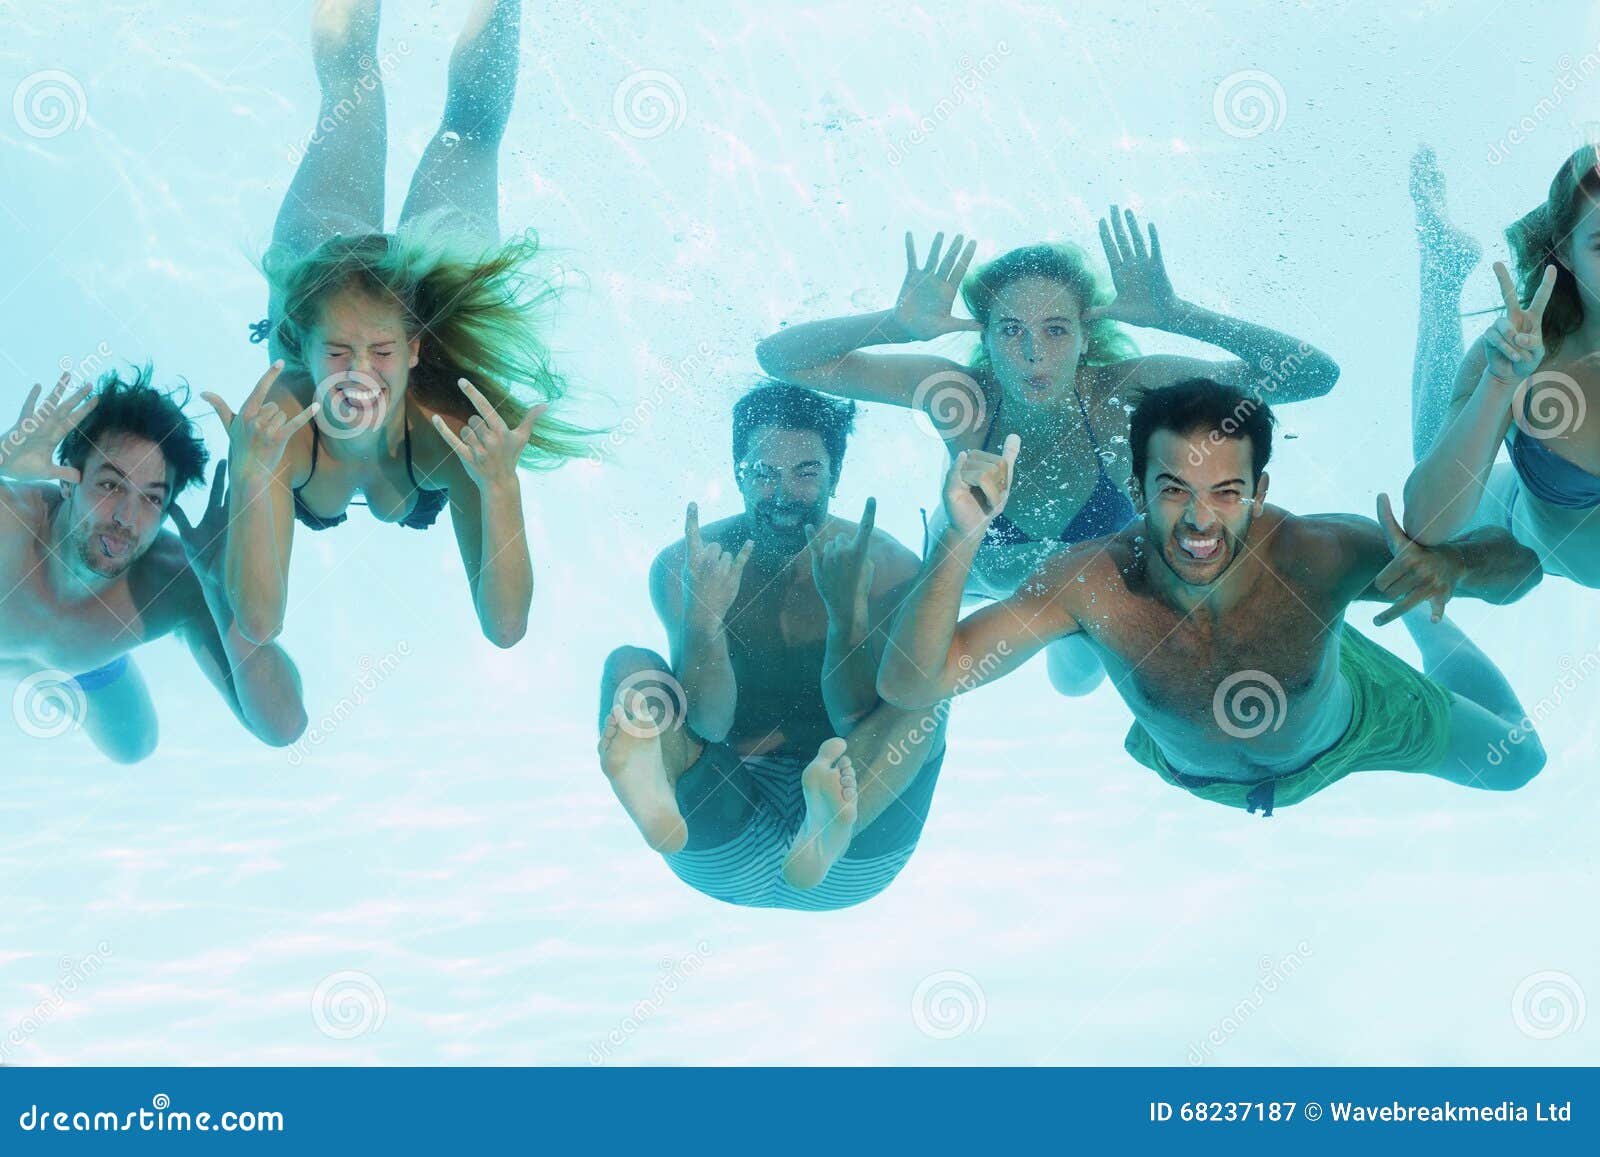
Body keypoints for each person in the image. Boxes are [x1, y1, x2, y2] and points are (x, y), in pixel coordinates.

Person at [879, 379, 1545, 817]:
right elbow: (915, 683)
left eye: (1227, 492)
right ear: (1138, 491)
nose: (1201, 520)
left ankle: (1426, 623)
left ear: (1258, 492)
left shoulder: (1318, 554)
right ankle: (1409, 603)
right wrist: (959, 539)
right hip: (1198, 773)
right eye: (1174, 489)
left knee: (1518, 762)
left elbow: (1523, 570)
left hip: (1359, 723)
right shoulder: (1090, 581)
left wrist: (1449, 566)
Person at [756, 212, 1340, 696]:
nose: (1034, 353)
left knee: (1074, 681)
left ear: (1087, 336)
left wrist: (1177, 315)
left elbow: (1312, 375)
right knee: (896, 676)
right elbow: (781, 360)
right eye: (1011, 330)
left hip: (1070, 604)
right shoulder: (958, 397)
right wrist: (896, 325)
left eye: (1057, 330)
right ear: (984, 338)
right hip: (968, 574)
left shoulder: (1126, 396)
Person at [212, 0, 590, 648]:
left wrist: (499, 484)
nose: (359, 374)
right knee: (470, 131)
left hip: (319, 252)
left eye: (381, 351)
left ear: (415, 350)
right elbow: (260, 623)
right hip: (362, 289)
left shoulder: (446, 428)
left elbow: (505, 629)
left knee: (351, 81)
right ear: (308, 347)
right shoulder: (280, 431)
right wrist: (249, 474)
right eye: (338, 352)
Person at [596, 385, 949, 909]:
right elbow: (710, 724)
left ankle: (822, 829)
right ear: (738, 471)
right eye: (764, 473)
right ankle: (653, 800)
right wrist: (705, 620)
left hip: (852, 846)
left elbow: (856, 720)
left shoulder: (888, 571)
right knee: (631, 668)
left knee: (928, 691)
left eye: (807, 473)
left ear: (835, 475)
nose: (783, 494)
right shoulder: (687, 568)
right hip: (715, 830)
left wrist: (847, 615)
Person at [0, 371, 307, 763]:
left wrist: (217, 585)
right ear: (67, 480)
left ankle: (75, 663)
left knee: (134, 747)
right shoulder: (9, 517)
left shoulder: (178, 580)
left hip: (84, 664)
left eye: (151, 499)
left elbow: (283, 726)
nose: (127, 518)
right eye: (111, 486)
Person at [1402, 144, 1599, 588]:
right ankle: (1442, 271)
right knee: (1431, 451)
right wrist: (1497, 385)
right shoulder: (1523, 352)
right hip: (1513, 515)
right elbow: (1427, 524)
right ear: (1566, 255)